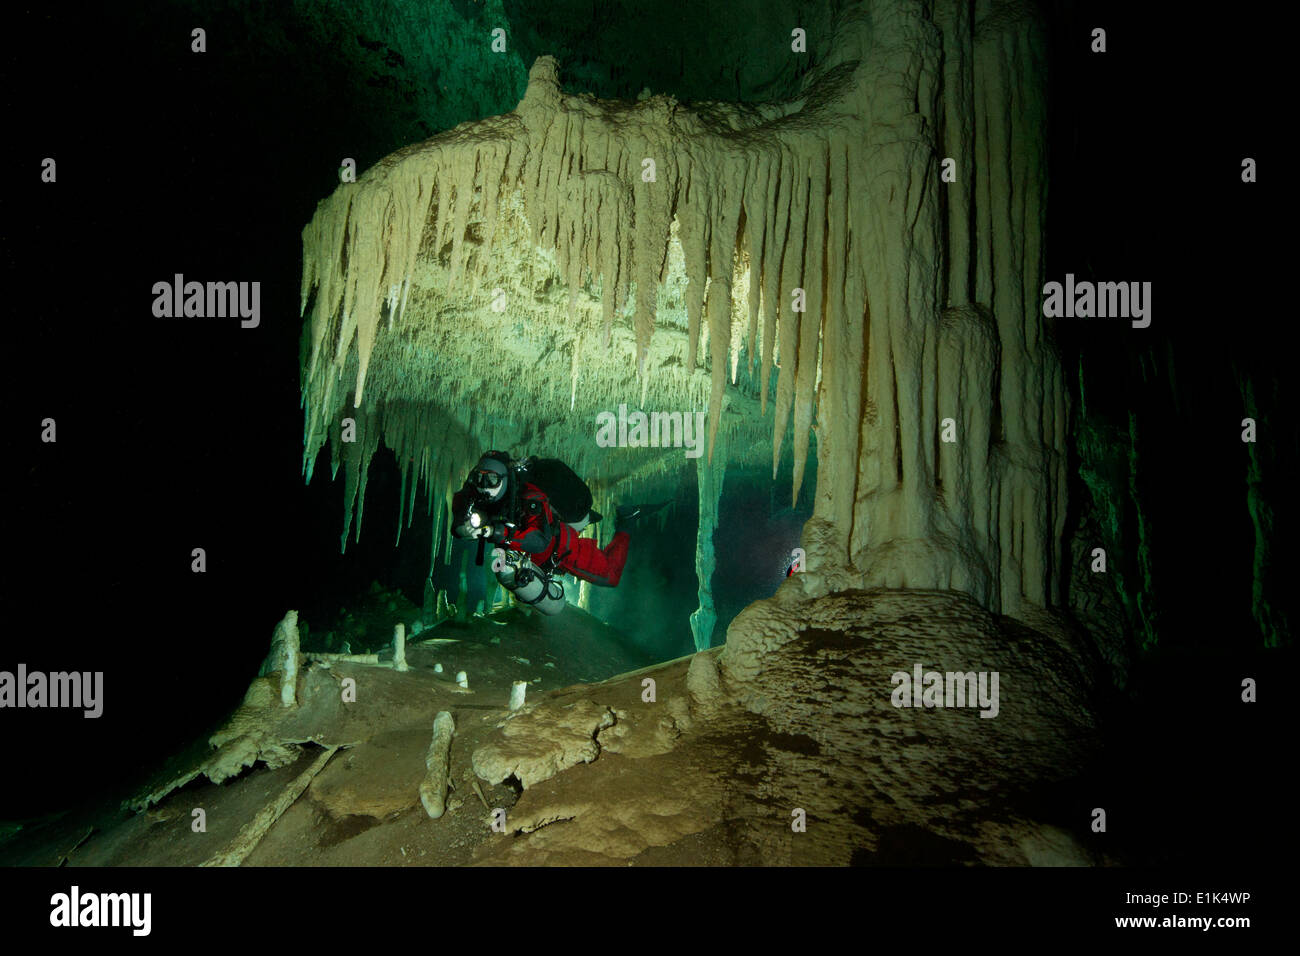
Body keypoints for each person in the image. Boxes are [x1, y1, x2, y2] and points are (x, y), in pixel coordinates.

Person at [450, 452, 663, 606]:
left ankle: (627, 521)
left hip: (560, 547)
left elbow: (539, 540)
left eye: (492, 479)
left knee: (610, 575)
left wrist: (495, 532)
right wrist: (462, 528)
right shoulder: (475, 491)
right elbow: (460, 509)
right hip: (527, 556)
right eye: (480, 478)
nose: (484, 486)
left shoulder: (530, 497)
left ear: (505, 479)